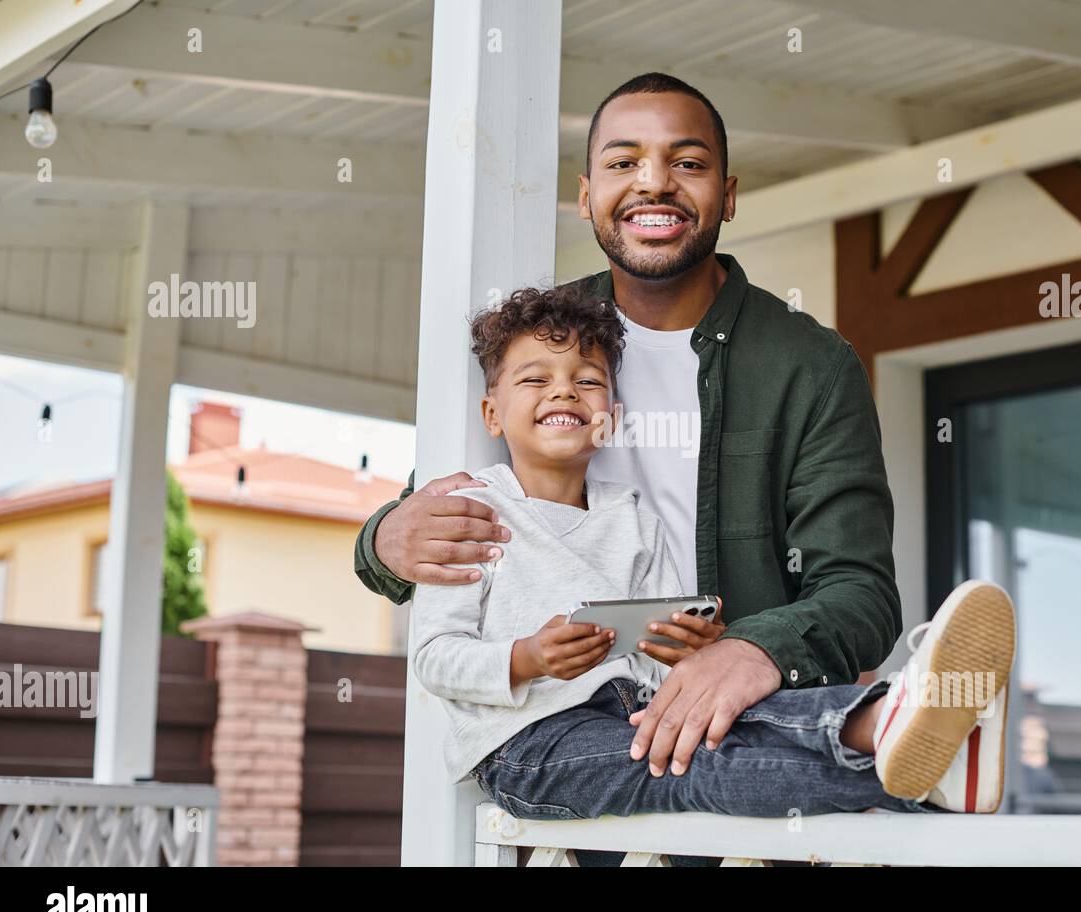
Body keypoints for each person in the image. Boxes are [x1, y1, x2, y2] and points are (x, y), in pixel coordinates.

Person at [356, 73, 1016, 819]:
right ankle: (901, 749)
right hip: (561, 745)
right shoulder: (535, 343)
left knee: (733, 743)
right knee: (688, 760)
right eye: (623, 162)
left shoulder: (809, 365)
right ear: (586, 194)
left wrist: (751, 649)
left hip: (738, 736)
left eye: (688, 163)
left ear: (728, 195)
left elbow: (860, 596)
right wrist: (386, 536)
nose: (654, 185)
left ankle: (907, 731)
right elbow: (428, 538)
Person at [414, 285, 1016, 829]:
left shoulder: (631, 518)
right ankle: (912, 770)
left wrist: (686, 644)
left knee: (736, 717)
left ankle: (891, 715)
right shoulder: (469, 513)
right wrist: (526, 659)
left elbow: (660, 661)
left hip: (632, 715)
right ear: (492, 413)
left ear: (611, 420)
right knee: (689, 769)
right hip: (527, 747)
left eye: (588, 380)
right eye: (535, 379)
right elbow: (435, 657)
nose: (565, 390)